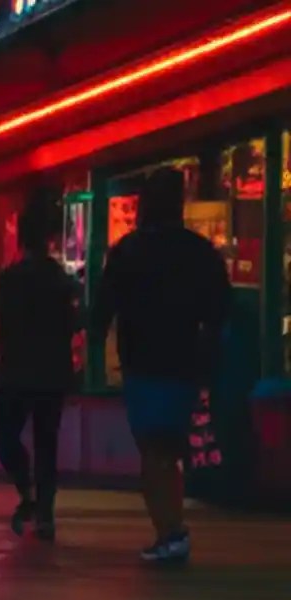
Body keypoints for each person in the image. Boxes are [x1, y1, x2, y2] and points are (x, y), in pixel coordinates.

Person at [93, 168, 230, 563]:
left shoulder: (128, 251)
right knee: (168, 448)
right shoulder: (200, 251)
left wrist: (97, 348)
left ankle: (170, 530)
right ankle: (172, 528)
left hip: (142, 362)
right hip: (183, 362)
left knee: (152, 450)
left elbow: (103, 307)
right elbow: (220, 308)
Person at [0, 189, 79, 541]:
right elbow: (73, 322)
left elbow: (5, 321)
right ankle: (44, 510)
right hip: (51, 369)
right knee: (47, 441)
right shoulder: (61, 281)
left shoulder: (8, 280)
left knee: (6, 437)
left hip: (15, 368)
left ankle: (27, 494)